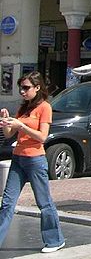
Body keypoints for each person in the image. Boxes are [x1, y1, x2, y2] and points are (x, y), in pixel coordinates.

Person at [0, 72, 65, 253]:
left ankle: (55, 240)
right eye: (21, 87)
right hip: (18, 158)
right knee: (7, 202)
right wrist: (6, 122)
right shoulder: (23, 108)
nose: (22, 91)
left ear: (37, 88)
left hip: (35, 159)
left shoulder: (45, 107)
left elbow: (42, 137)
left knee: (44, 202)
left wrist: (21, 126)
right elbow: (9, 134)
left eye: (26, 88)